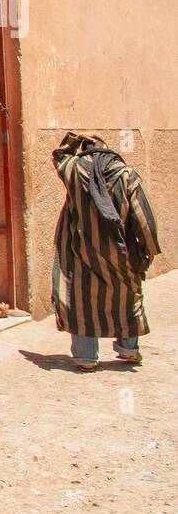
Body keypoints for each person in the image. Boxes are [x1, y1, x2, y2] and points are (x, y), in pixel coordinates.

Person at [51, 132, 160, 371]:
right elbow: (143, 214)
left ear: (85, 151)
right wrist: (149, 248)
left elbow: (59, 156)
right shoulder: (126, 174)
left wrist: (75, 138)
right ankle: (129, 350)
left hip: (81, 252)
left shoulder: (75, 171)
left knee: (82, 301)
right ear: (108, 150)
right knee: (127, 297)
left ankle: (86, 358)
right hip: (122, 252)